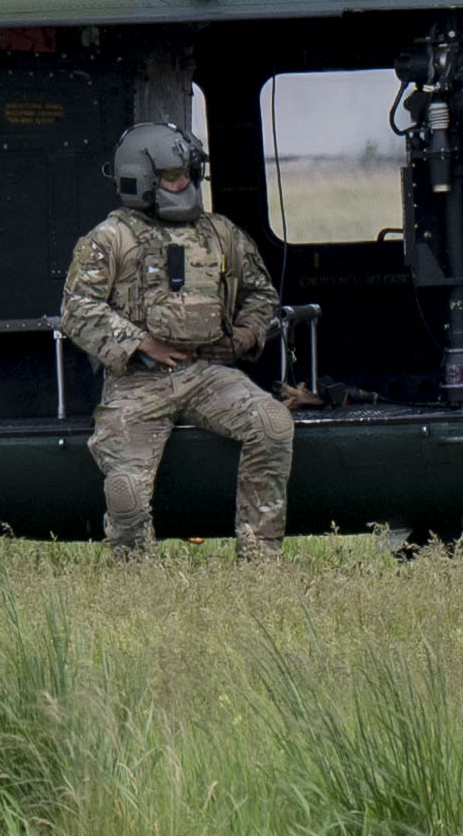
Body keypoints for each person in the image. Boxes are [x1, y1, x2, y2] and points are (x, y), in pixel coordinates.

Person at [56, 120, 294, 558]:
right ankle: (136, 576)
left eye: (187, 174)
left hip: (205, 373)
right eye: (170, 177)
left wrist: (241, 338)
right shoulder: (111, 239)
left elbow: (262, 294)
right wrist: (141, 343)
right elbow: (77, 309)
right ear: (141, 181)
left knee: (273, 425)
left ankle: (260, 560)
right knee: (125, 488)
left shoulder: (220, 233)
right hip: (136, 382)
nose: (182, 183)